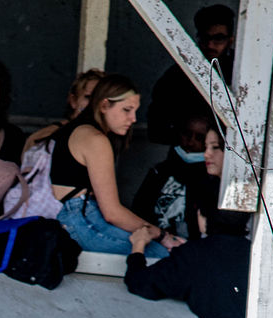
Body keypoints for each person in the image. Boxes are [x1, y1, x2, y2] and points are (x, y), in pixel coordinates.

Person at [124, 127, 248, 318]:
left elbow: (140, 283)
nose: (207, 153)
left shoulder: (194, 256)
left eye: (216, 147)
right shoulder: (260, 254)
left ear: (201, 216)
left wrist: (137, 248)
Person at [49, 74, 173, 260]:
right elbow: (112, 213)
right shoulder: (95, 139)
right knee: (158, 255)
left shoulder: (75, 129)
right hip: (83, 220)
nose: (133, 119)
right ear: (105, 105)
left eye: (135, 111)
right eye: (127, 110)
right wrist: (162, 235)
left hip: (73, 216)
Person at [148, 3, 234, 147]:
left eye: (218, 38)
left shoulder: (241, 75)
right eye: (205, 38)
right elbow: (155, 128)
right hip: (183, 157)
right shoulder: (177, 76)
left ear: (231, 39)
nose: (211, 45)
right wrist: (188, 138)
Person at [133, 108, 211, 240]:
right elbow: (138, 210)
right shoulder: (159, 172)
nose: (191, 142)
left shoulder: (213, 180)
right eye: (186, 134)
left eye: (199, 137)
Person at [25, 68, 103, 148]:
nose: (94, 103)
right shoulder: (46, 137)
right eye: (88, 97)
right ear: (73, 101)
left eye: (100, 99)